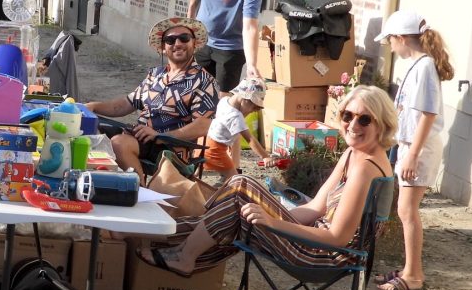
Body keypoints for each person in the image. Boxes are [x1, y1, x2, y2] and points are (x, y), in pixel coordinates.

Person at [137, 85, 396, 276]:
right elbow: (316, 207)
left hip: (323, 257)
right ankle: (174, 249)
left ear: (382, 124)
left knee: (241, 188)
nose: (352, 125)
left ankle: (171, 247)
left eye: (364, 119)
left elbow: (338, 238)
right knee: (240, 199)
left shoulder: (365, 168)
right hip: (315, 241)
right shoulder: (355, 153)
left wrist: (273, 221)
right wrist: (275, 215)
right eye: (347, 116)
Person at [373, 11, 453, 290]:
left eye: (390, 40)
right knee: (405, 210)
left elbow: (429, 115)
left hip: (420, 149)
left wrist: (412, 155)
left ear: (402, 38)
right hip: (411, 147)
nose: (390, 46)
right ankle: (409, 270)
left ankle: (414, 276)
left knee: (407, 211)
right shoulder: (418, 65)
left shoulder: (425, 67)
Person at [85, 17, 219, 185]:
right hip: (141, 139)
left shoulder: (204, 81)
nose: (177, 43)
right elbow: (127, 103)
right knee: (88, 130)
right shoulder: (156, 75)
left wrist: (161, 136)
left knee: (119, 143)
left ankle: (138, 192)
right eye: (170, 40)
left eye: (184, 38)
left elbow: (204, 124)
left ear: (194, 43)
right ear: (163, 48)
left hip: (171, 148)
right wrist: (93, 106)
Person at [203, 77, 273, 181]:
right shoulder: (236, 116)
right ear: (245, 99)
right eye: (254, 107)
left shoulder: (224, 101)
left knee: (199, 175)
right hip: (217, 151)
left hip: (207, 144)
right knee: (235, 180)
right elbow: (250, 139)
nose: (253, 111)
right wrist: (265, 156)